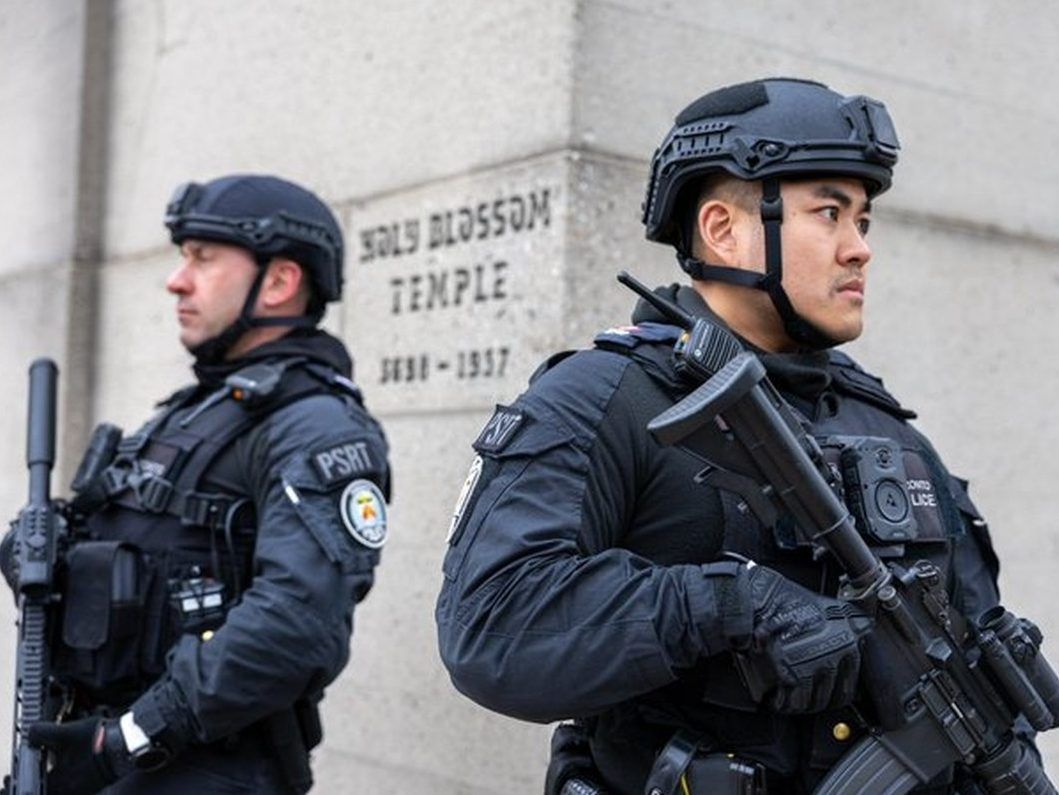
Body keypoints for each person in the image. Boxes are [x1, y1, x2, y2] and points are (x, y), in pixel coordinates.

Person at [435, 78, 1022, 794]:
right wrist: (729, 606)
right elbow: (492, 630)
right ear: (723, 229)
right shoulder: (602, 398)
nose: (858, 248)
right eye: (828, 213)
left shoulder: (885, 427)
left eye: (863, 221)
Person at [4, 174, 391, 794]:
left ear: (281, 281)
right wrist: (42, 547)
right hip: (107, 752)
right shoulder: (197, 409)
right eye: (183, 258)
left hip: (203, 767)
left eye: (203, 259)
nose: (176, 280)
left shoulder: (315, 426)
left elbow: (295, 625)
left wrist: (130, 736)